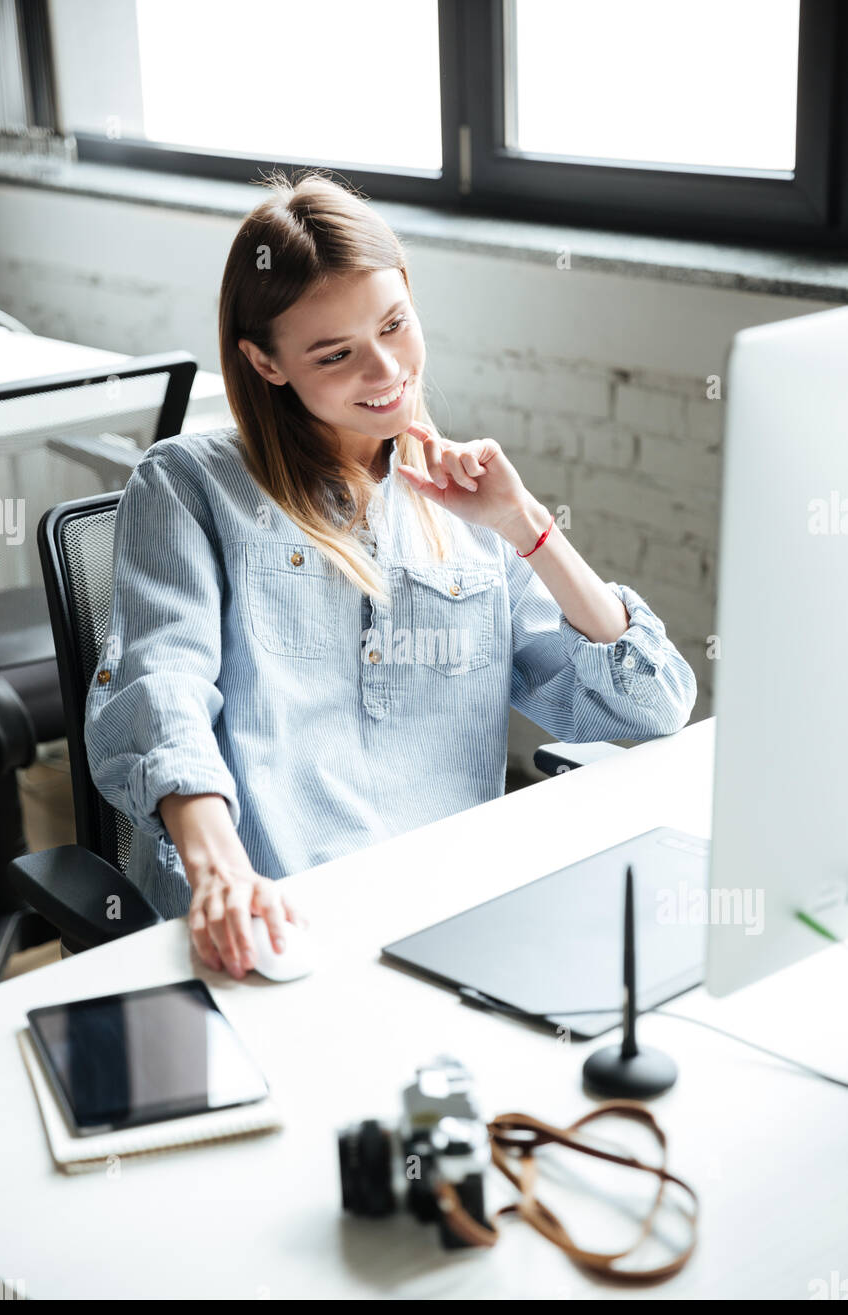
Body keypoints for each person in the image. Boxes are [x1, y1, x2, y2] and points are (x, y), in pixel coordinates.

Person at [85, 170, 696, 981]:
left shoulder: (465, 512)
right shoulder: (188, 485)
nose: (384, 373)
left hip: (448, 919)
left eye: (395, 326)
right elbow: (162, 692)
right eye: (334, 353)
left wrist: (526, 528)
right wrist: (219, 868)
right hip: (273, 922)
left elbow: (650, 707)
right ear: (266, 363)